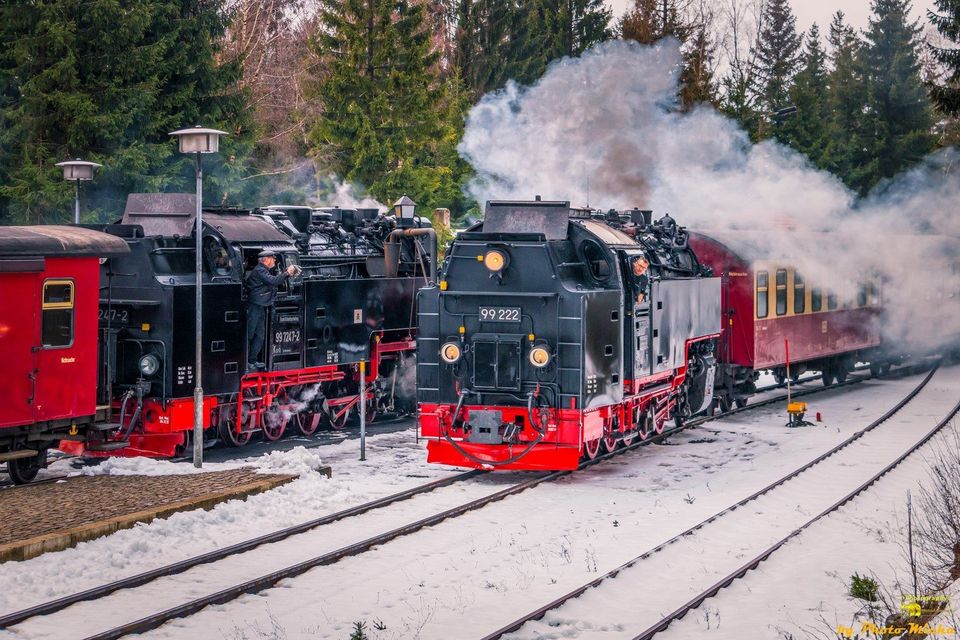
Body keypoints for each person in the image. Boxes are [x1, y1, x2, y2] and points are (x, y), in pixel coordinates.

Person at [247, 250, 296, 370]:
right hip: (254, 306)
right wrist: (287, 273)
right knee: (249, 334)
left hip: (261, 306)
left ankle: (252, 360)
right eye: (272, 258)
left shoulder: (264, 271)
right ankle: (245, 361)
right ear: (266, 259)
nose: (274, 260)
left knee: (260, 335)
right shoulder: (259, 270)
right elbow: (273, 281)